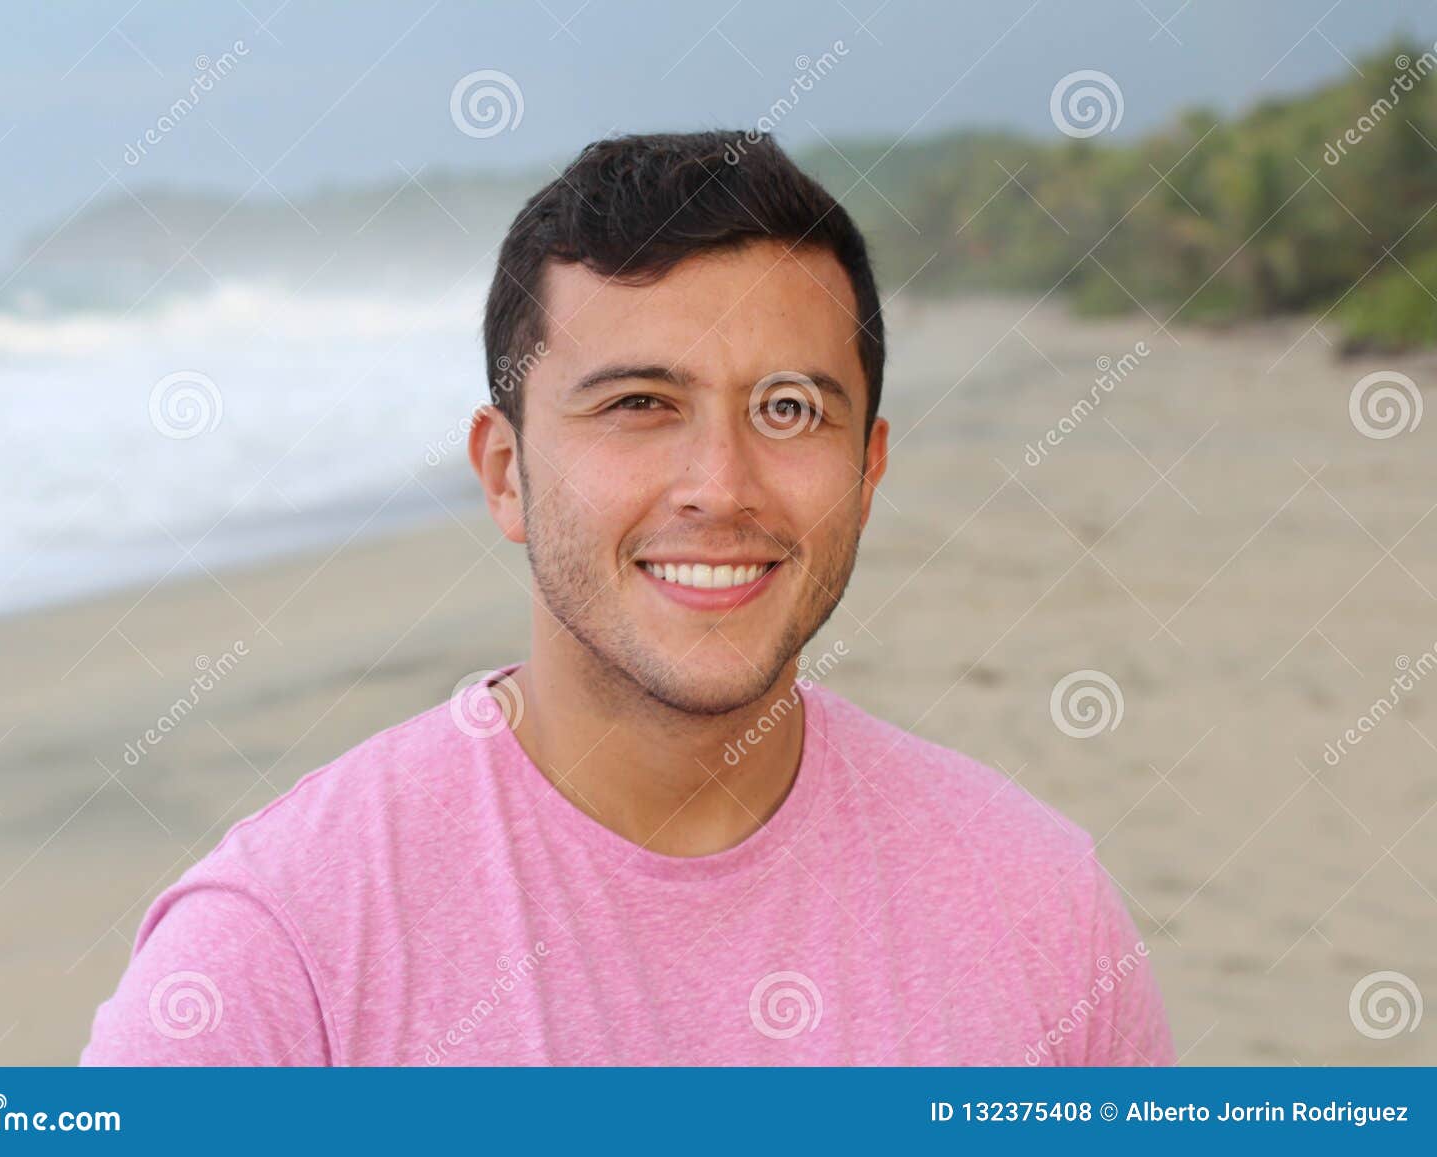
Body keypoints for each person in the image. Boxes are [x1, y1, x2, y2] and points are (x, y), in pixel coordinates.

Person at [80, 130, 1174, 1066]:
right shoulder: (276, 957)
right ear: (506, 473)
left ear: (867, 469)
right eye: (640, 403)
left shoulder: (1042, 910)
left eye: (790, 409)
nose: (721, 486)